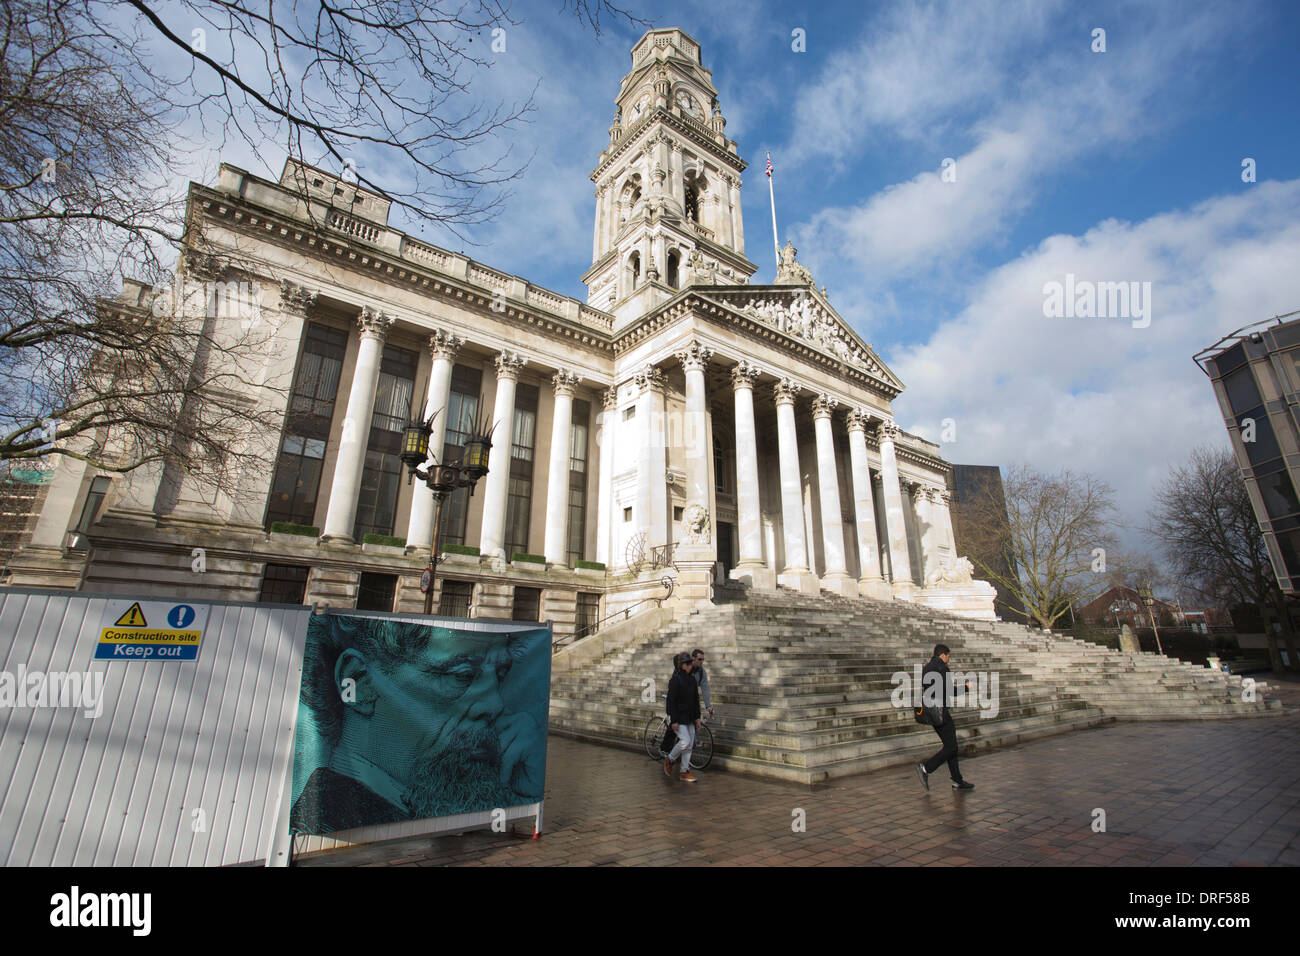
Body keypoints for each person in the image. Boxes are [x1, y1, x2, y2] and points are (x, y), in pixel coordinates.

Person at [291, 615, 546, 833]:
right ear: (359, 681)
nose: (494, 705)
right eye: (462, 675)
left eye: (499, 675)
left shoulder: (436, 796)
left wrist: (523, 796)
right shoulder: (328, 820)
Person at [915, 642, 975, 792]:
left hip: (931, 711)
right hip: (941, 711)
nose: (949, 659)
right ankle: (926, 768)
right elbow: (951, 691)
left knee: (950, 745)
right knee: (952, 746)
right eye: (948, 656)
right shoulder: (942, 668)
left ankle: (957, 779)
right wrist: (966, 688)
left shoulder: (927, 668)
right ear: (943, 655)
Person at [665, 652, 701, 783]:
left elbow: (696, 700)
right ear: (683, 665)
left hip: (689, 716)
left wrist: (697, 718)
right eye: (689, 664)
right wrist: (673, 720)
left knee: (690, 744)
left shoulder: (692, 679)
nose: (692, 665)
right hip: (679, 716)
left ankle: (684, 770)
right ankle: (670, 758)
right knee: (685, 741)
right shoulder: (676, 680)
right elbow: (671, 701)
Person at [691, 648, 714, 718]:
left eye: (702, 659)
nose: (701, 662)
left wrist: (708, 705)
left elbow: (705, 688)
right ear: (693, 658)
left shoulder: (701, 671)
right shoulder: (686, 668)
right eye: (699, 659)